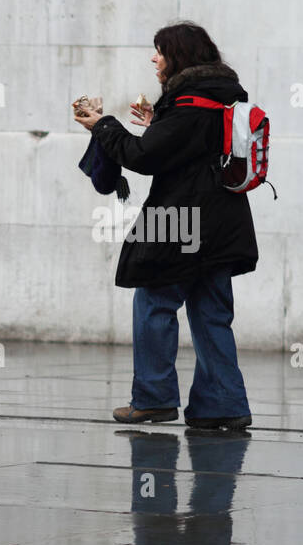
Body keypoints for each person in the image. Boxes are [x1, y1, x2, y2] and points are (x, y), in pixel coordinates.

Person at [74, 21, 256, 432]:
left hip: (181, 221)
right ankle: (222, 405)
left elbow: (142, 157)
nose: (153, 58)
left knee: (154, 302)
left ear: (179, 56)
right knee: (211, 313)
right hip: (224, 222)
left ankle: (154, 399)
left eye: (160, 51)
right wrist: (160, 120)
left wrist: (102, 124)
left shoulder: (190, 102)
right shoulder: (220, 98)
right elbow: (191, 146)